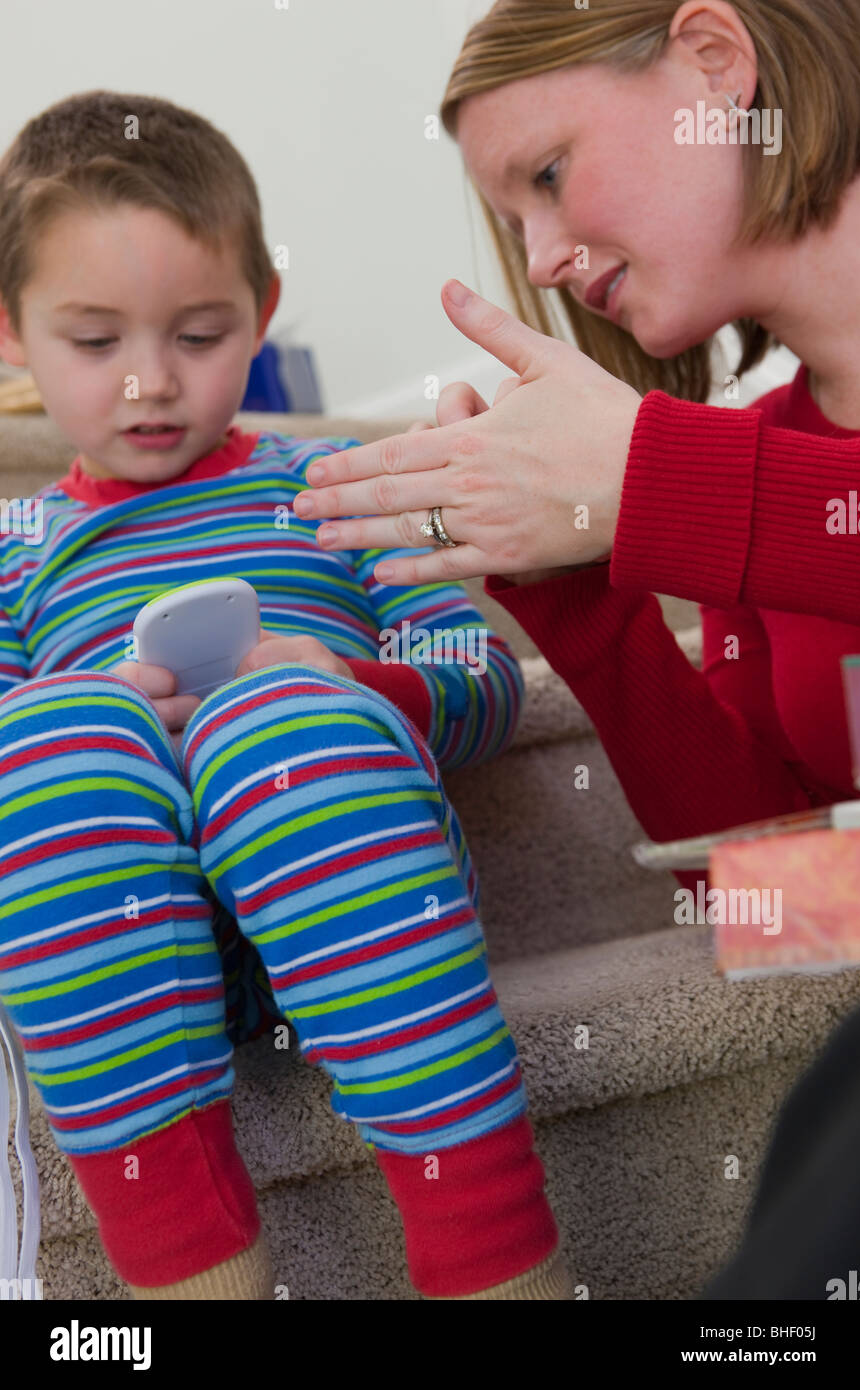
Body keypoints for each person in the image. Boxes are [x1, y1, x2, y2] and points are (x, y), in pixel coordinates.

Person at [0, 90, 569, 1301]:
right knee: (49, 734)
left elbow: (482, 683)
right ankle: (189, 1283)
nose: (150, 381)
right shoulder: (15, 549)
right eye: (95, 343)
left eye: (199, 333)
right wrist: (100, 707)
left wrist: (341, 676)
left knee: (275, 724)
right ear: (11, 334)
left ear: (260, 311)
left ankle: (489, 1263)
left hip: (351, 881)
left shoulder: (340, 486)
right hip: (118, 948)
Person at [293, 0, 860, 904]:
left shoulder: (707, 477)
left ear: (715, 65)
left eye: (549, 176)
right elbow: (770, 895)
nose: (544, 260)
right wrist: (578, 600)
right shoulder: (744, 463)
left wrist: (657, 478)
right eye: (515, 225)